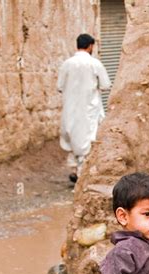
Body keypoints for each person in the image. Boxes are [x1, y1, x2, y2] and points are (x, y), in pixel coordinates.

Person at [57, 33, 111, 183]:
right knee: (86, 140)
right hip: (89, 110)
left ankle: (74, 169)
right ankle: (81, 175)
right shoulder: (95, 64)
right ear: (90, 46)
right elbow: (106, 85)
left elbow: (60, 86)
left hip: (70, 109)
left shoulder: (67, 64)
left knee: (72, 138)